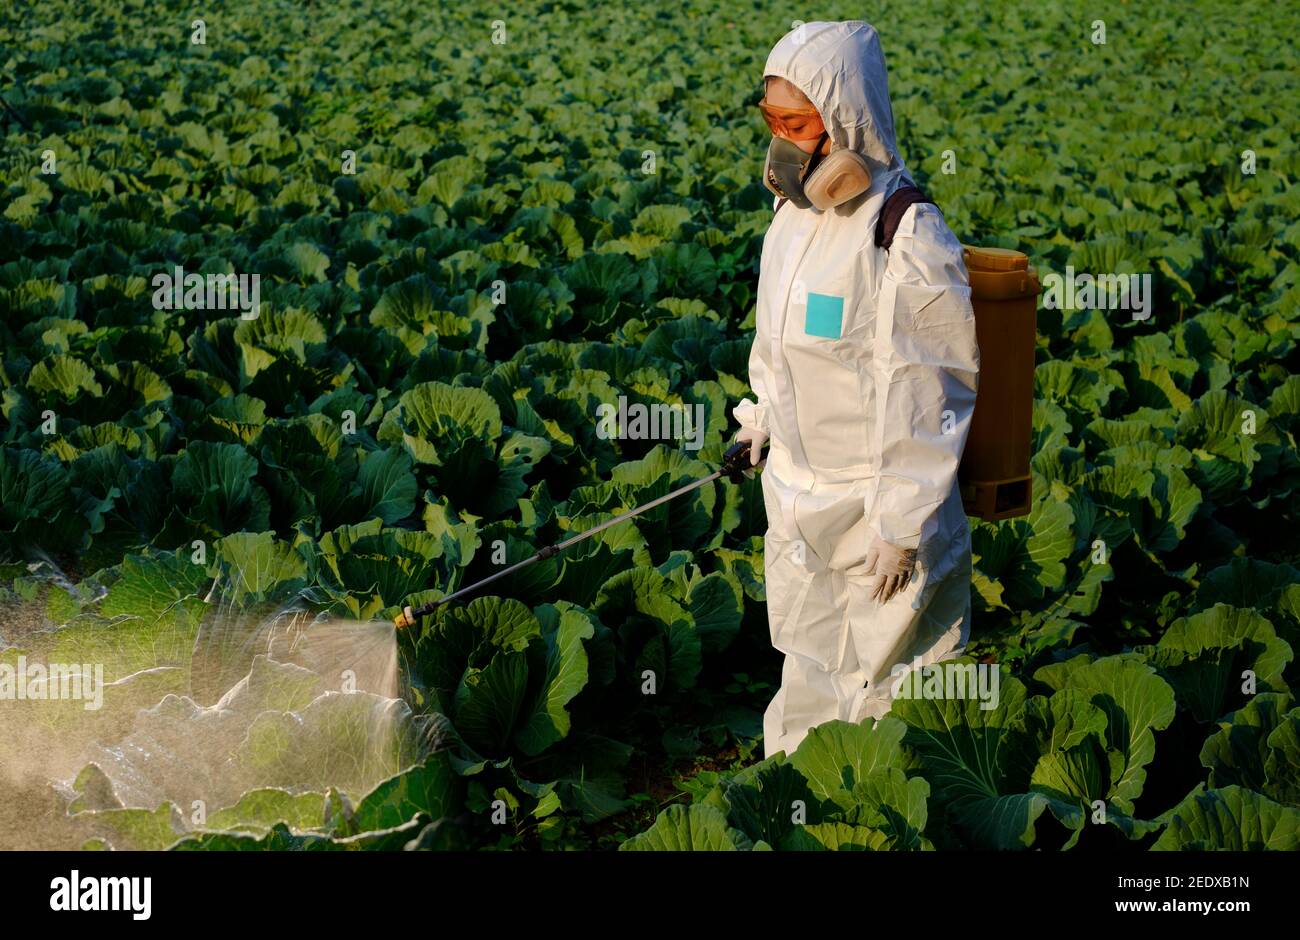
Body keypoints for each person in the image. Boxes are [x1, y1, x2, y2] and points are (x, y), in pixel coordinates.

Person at [732, 21, 981, 760]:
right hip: (799, 496)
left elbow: (931, 389)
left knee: (892, 687)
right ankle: (795, 794)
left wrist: (903, 524)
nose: (781, 141)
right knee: (808, 663)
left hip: (878, 513)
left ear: (844, 120)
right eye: (772, 121)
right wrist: (762, 421)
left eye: (797, 124)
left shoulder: (906, 232)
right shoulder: (792, 219)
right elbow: (778, 343)